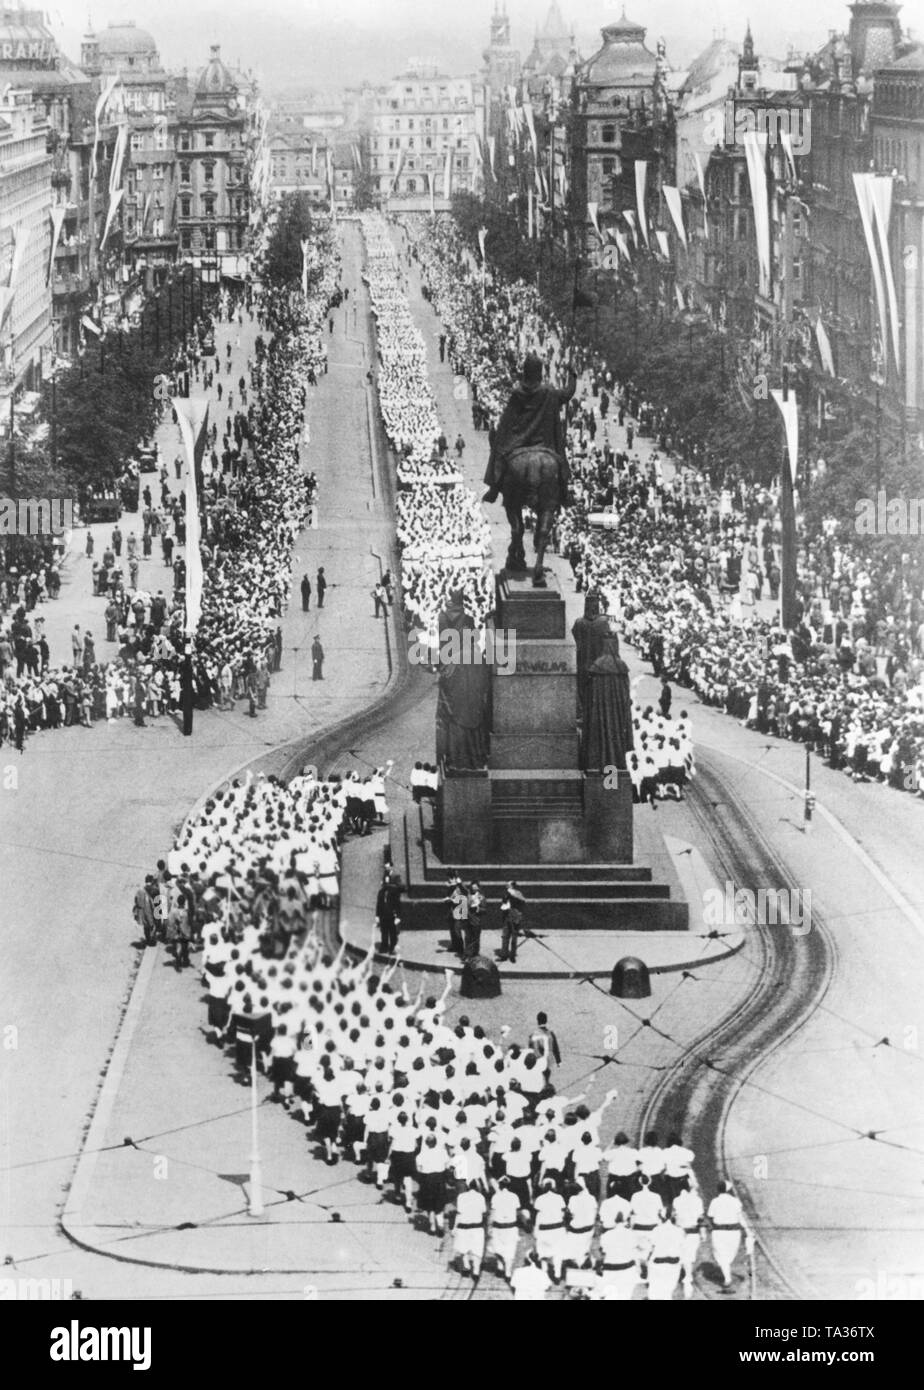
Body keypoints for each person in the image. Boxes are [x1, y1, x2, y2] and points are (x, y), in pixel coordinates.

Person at [708, 1180, 749, 1290]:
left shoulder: (714, 1201)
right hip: (734, 1232)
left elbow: (710, 1216)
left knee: (721, 1255)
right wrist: (747, 1231)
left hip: (719, 1232)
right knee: (730, 1254)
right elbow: (741, 1217)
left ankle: (727, 1276)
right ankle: (727, 1277)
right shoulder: (735, 1201)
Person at [453, 1181, 487, 1277]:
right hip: (477, 1227)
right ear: (477, 1187)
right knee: (477, 1249)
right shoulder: (481, 1197)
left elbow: (459, 1214)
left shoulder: (461, 1197)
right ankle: (476, 1270)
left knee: (463, 1248)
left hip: (463, 1227)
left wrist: (454, 1228)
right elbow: (483, 1211)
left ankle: (466, 1266)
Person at [529, 1011, 561, 1084]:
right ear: (546, 1021)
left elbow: (531, 1048)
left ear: (537, 1021)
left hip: (538, 1059)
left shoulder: (533, 1035)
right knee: (547, 1071)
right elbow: (555, 1047)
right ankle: (547, 1082)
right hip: (549, 1059)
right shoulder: (551, 1033)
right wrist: (558, 1061)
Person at [498, 882, 525, 962]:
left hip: (515, 917)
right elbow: (504, 902)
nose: (506, 885)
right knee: (505, 936)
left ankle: (512, 955)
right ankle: (504, 955)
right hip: (507, 917)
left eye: (508, 884)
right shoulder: (505, 893)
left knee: (514, 937)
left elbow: (522, 901)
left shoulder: (518, 893)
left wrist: (513, 895)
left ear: (513, 886)